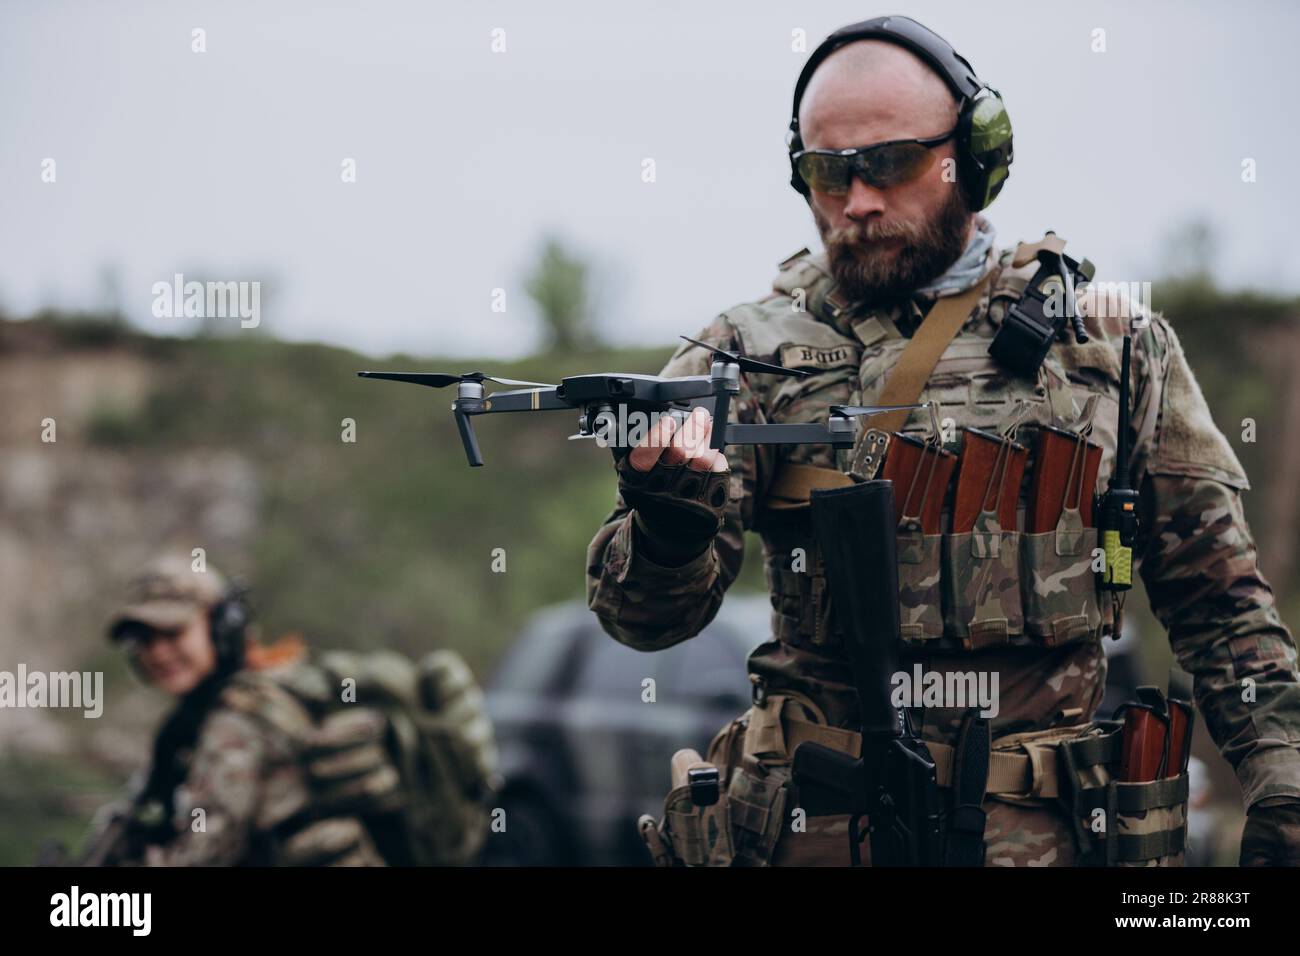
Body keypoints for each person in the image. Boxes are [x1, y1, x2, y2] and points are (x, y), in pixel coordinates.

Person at [587, 15, 1300, 866]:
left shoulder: (1111, 343)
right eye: (826, 172)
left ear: (977, 154)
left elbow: (1219, 608)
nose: (856, 202)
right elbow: (649, 624)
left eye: (888, 163)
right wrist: (669, 525)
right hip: (821, 829)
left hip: (1059, 838)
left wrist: (1283, 781)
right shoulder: (745, 353)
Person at [84, 554, 392, 866]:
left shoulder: (236, 720)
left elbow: (204, 856)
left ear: (221, 627)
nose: (158, 652)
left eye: (173, 633)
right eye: (146, 639)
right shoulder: (215, 711)